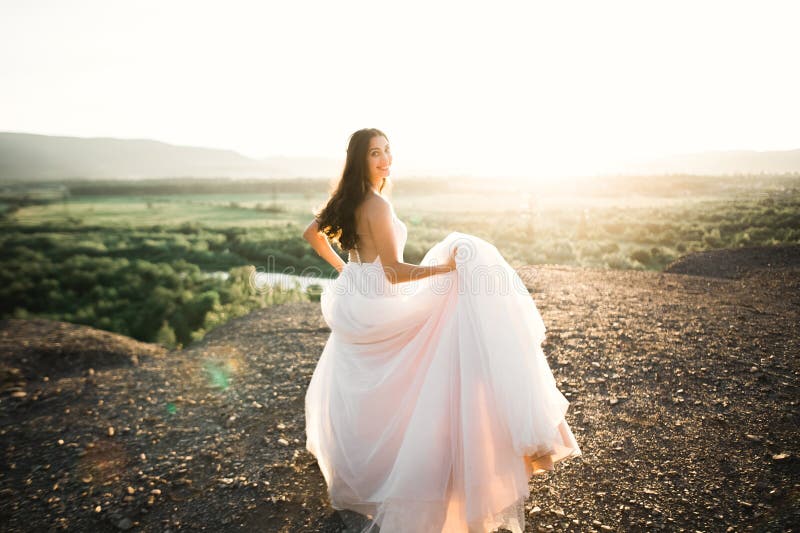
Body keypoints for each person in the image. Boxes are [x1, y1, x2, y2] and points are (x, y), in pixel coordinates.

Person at [303, 128, 581, 533]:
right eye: (375, 153)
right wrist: (445, 271)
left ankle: (367, 463)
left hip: (356, 298)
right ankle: (433, 466)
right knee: (435, 349)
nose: (385, 160)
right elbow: (396, 273)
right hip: (377, 299)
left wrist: (349, 270)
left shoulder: (348, 198)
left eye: (388, 151)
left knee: (368, 384)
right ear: (360, 158)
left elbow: (311, 235)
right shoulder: (376, 204)